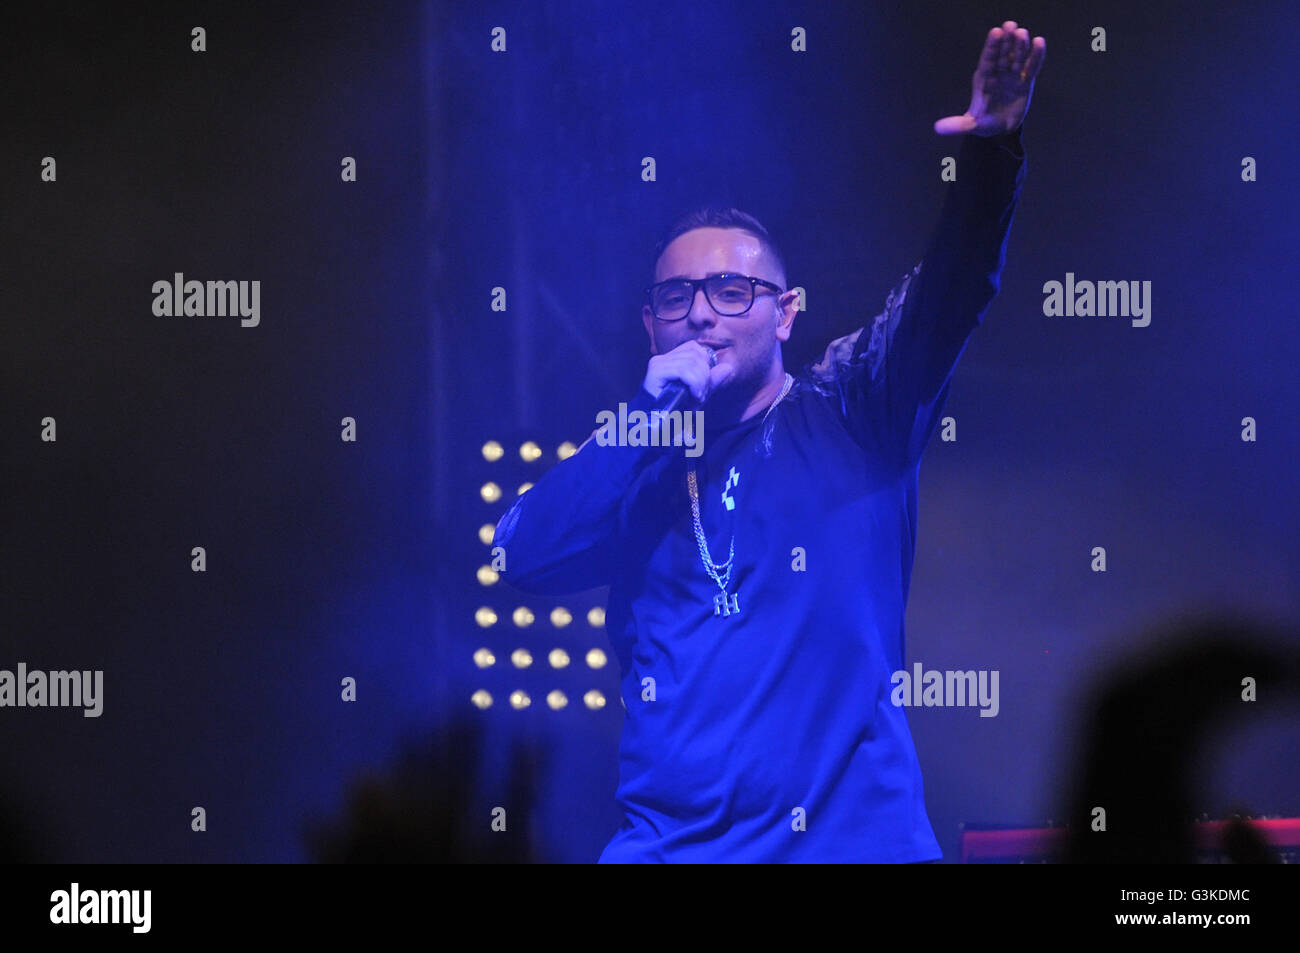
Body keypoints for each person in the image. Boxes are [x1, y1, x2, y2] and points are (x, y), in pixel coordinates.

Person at [494, 22, 1046, 862]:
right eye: (677, 297)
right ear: (651, 324)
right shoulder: (638, 459)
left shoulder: (854, 406)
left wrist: (991, 156)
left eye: (731, 289)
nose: (703, 311)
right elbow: (524, 558)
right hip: (670, 848)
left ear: (785, 312)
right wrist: (646, 418)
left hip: (850, 845)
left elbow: (952, 288)